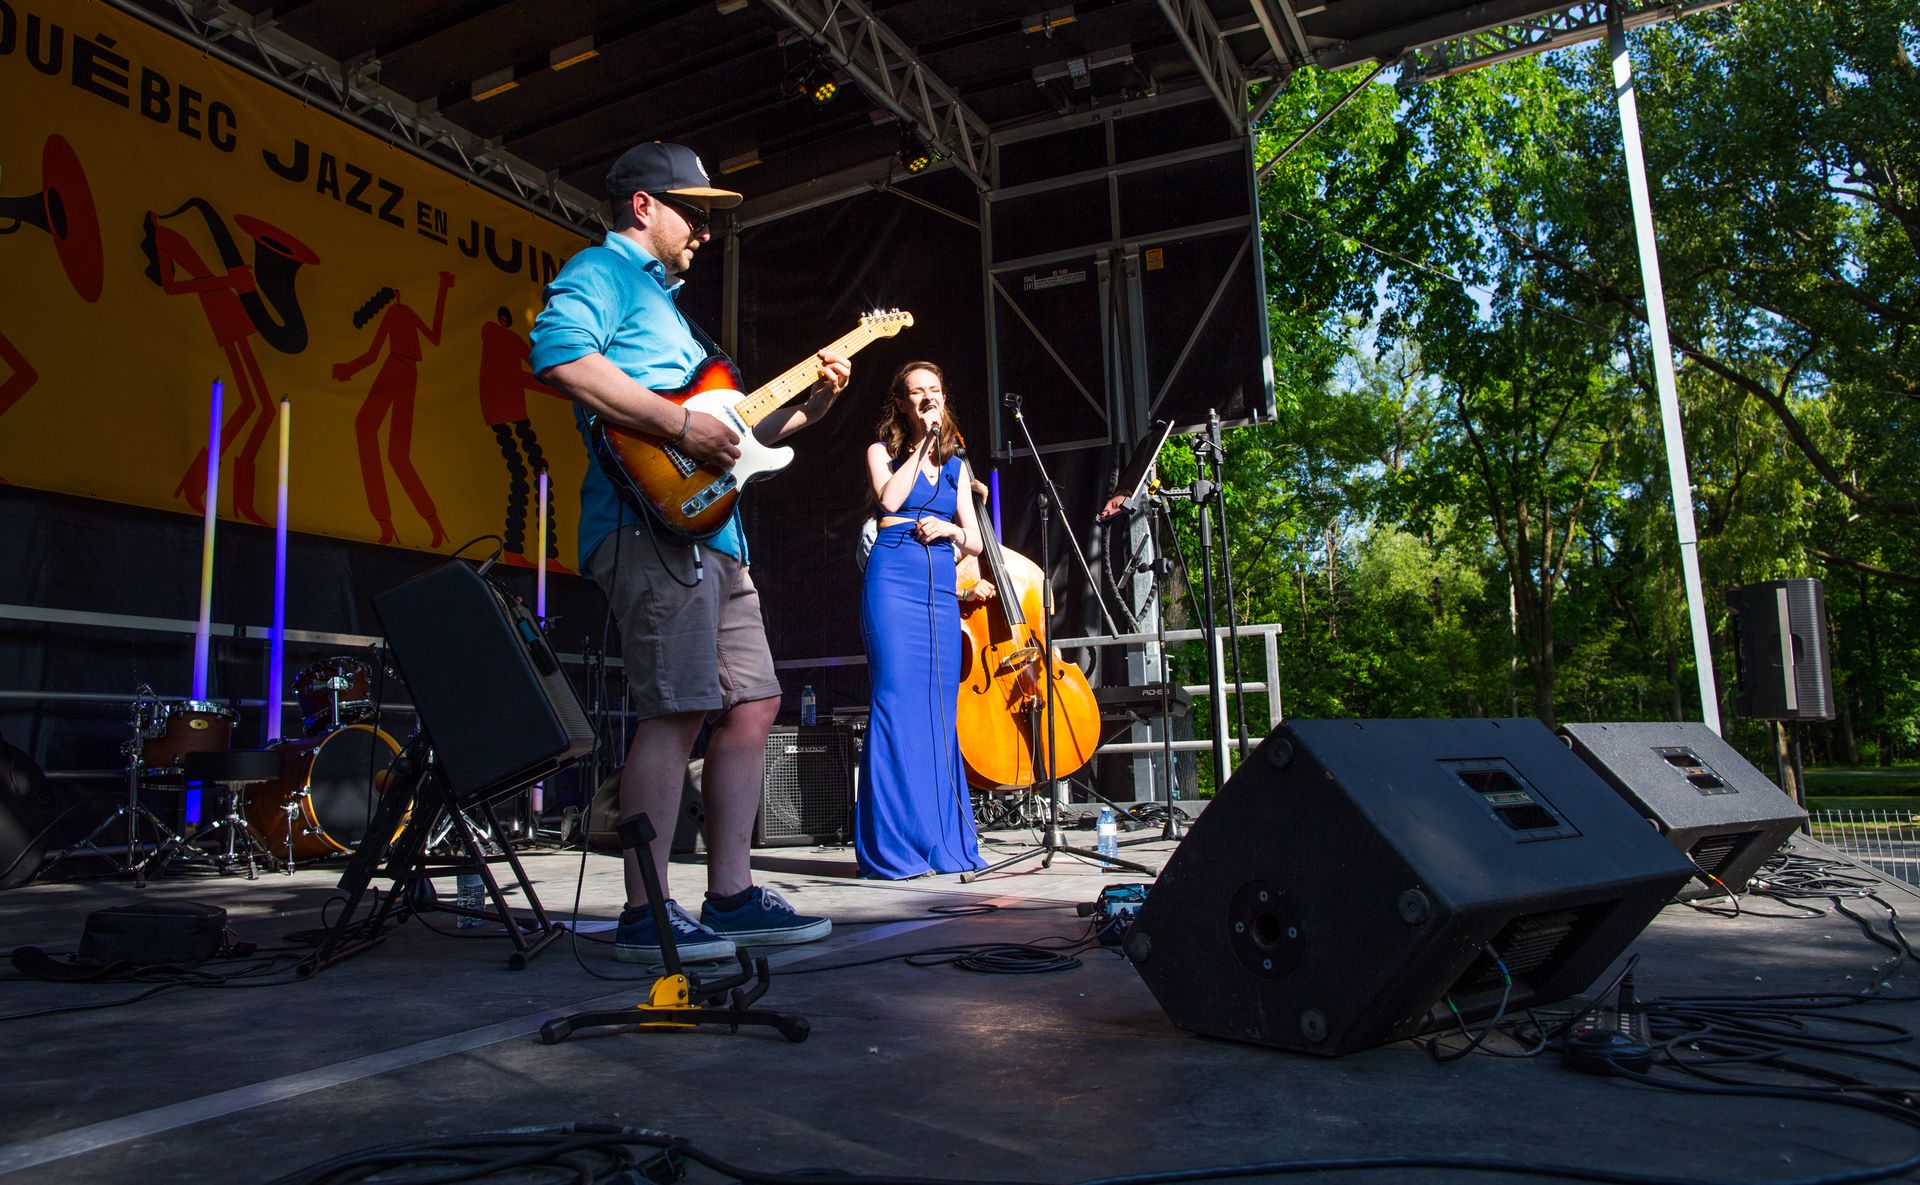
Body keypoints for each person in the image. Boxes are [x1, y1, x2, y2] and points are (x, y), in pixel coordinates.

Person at [529, 141, 850, 962]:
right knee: (676, 705)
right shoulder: (602, 273)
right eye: (693, 212)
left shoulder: (671, 310)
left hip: (716, 532)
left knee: (753, 703)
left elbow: (737, 438)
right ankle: (646, 910)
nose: (704, 230)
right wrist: (677, 425)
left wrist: (810, 401)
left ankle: (733, 893)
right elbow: (560, 357)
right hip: (650, 528)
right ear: (644, 206)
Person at [854, 361, 991, 879]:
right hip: (893, 578)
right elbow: (889, 498)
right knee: (894, 701)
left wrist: (951, 532)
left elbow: (975, 538)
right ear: (903, 403)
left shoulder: (958, 465)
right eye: (917, 392)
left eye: (935, 390)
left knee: (937, 709)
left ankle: (938, 840)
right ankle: (891, 846)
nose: (928, 398)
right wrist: (923, 445)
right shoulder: (882, 452)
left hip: (937, 587)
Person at [332, 273, 456, 547]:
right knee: (387, 445)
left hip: (399, 369)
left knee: (386, 445)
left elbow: (377, 353)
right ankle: (398, 523)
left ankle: (416, 523)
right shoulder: (400, 312)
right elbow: (430, 337)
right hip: (403, 370)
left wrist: (443, 290)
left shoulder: (399, 312)